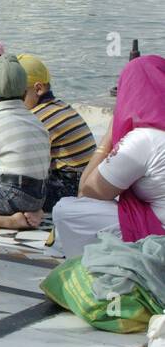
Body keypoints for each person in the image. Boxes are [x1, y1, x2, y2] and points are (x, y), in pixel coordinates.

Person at [53, 56, 165, 257]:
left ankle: (93, 270)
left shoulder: (144, 139)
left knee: (66, 210)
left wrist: (108, 138)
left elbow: (88, 190)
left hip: (159, 235)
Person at [0, 55, 52, 229]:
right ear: (25, 93)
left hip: (14, 195)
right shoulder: (36, 121)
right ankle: (36, 212)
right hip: (39, 195)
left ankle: (9, 221)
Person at [17, 53, 97, 212]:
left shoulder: (39, 117)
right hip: (85, 181)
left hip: (70, 188)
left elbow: (23, 159)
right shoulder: (59, 106)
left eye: (18, 94)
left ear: (38, 89)